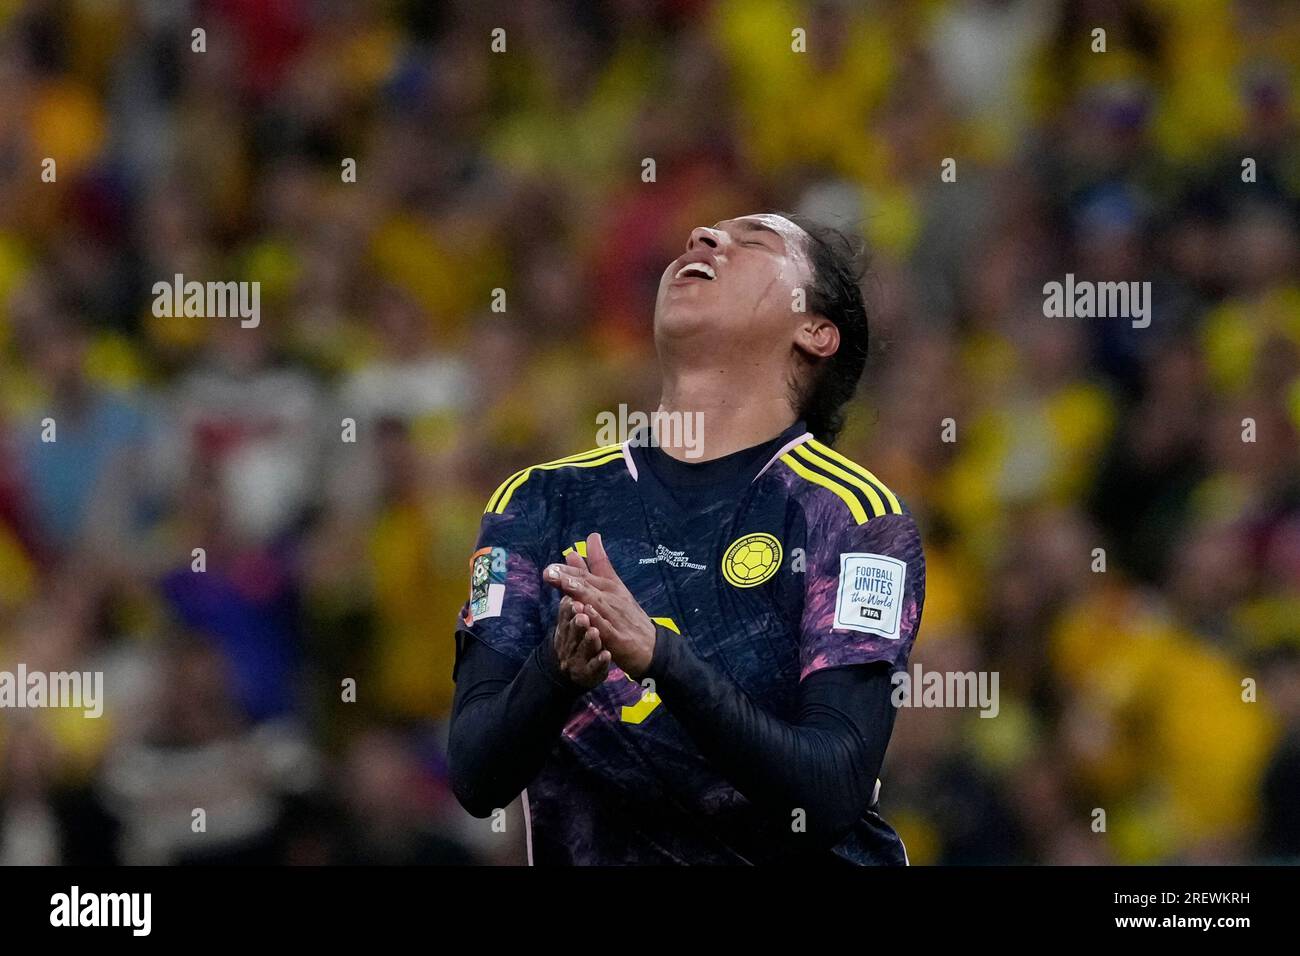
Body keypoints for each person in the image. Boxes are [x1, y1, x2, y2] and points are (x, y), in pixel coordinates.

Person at [448, 213, 925, 864]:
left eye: (753, 241)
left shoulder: (850, 516)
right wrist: (557, 671)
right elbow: (477, 778)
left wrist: (658, 658)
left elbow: (827, 794)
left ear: (815, 332)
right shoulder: (539, 502)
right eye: (704, 234)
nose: (704, 236)